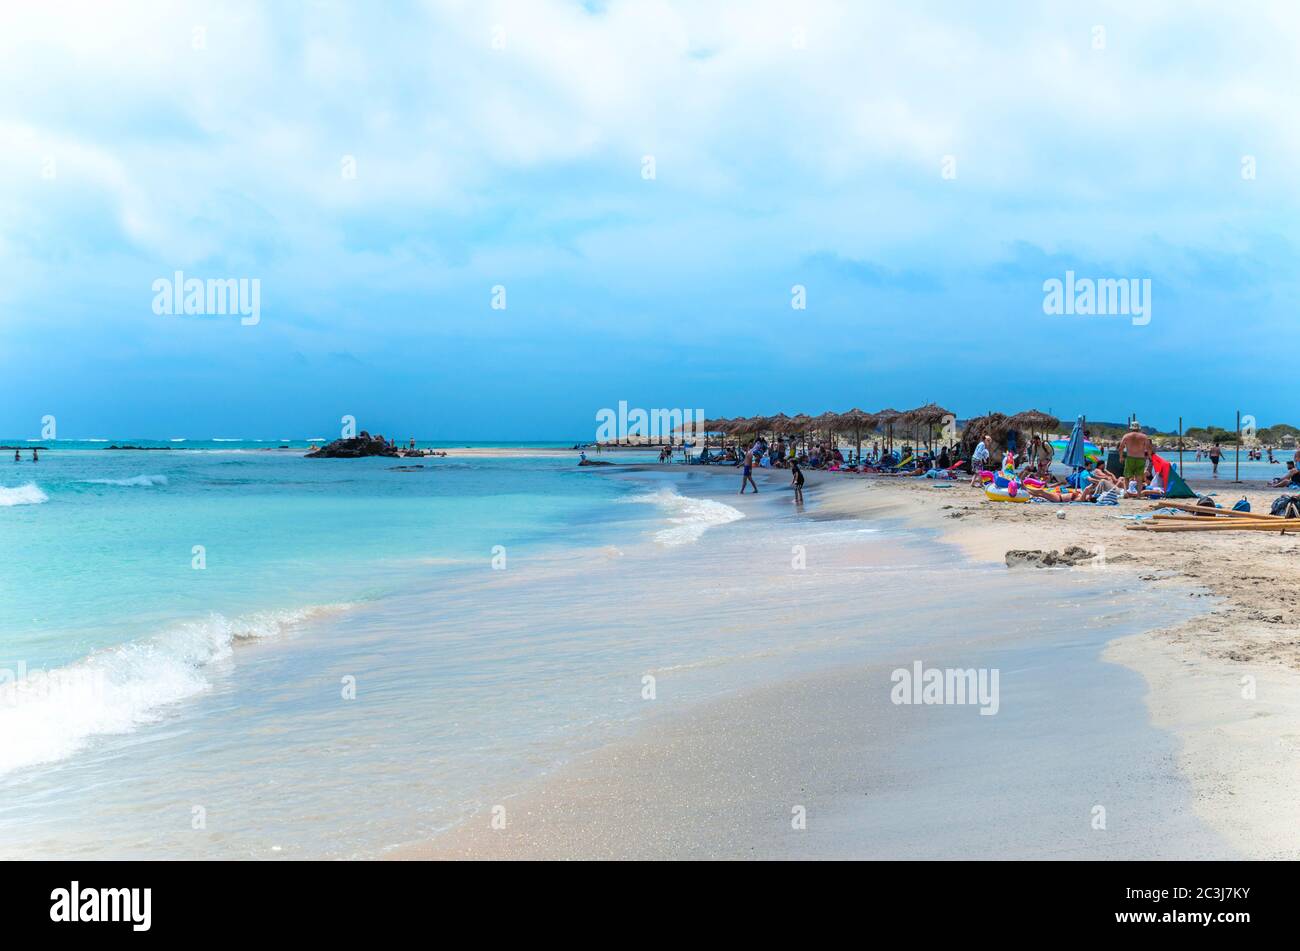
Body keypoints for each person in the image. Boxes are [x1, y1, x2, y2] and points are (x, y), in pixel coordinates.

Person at [1118, 421, 1153, 491]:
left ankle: (1126, 492)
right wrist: (1150, 456)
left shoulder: (1126, 436)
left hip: (1130, 458)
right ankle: (1139, 495)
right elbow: (1149, 448)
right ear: (1139, 428)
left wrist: (1121, 457)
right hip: (1140, 458)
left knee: (1127, 477)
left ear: (1131, 428)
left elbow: (1120, 448)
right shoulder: (1144, 436)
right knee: (1139, 478)